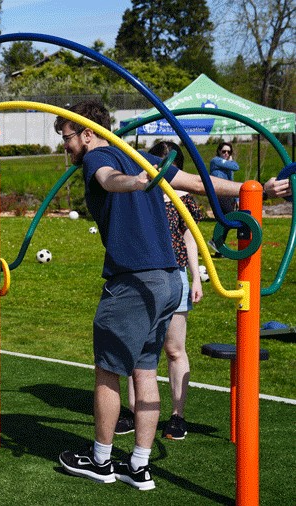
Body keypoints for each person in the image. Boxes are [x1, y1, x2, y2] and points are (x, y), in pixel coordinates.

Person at [53, 100, 290, 491]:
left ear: (88, 132)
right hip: (169, 279)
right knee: (145, 369)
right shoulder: (141, 156)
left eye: (67, 137)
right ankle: (140, 466)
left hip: (132, 279)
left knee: (108, 371)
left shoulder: (100, 158)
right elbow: (199, 183)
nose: (65, 146)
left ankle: (100, 459)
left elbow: (110, 179)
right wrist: (257, 189)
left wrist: (137, 183)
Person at [115, 141, 203, 440]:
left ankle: (177, 416)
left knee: (174, 348)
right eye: (160, 161)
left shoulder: (184, 198)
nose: (164, 168)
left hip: (175, 274)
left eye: (169, 163)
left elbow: (190, 239)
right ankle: (132, 409)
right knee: (137, 347)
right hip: (143, 274)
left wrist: (196, 277)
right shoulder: (141, 194)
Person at [209, 142, 240, 216]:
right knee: (229, 215)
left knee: (230, 216)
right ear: (219, 151)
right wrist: (231, 161)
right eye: (224, 151)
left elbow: (231, 181)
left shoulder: (228, 166)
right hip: (219, 193)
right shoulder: (216, 161)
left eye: (229, 152)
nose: (226, 153)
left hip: (228, 193)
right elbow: (236, 167)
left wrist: (236, 199)